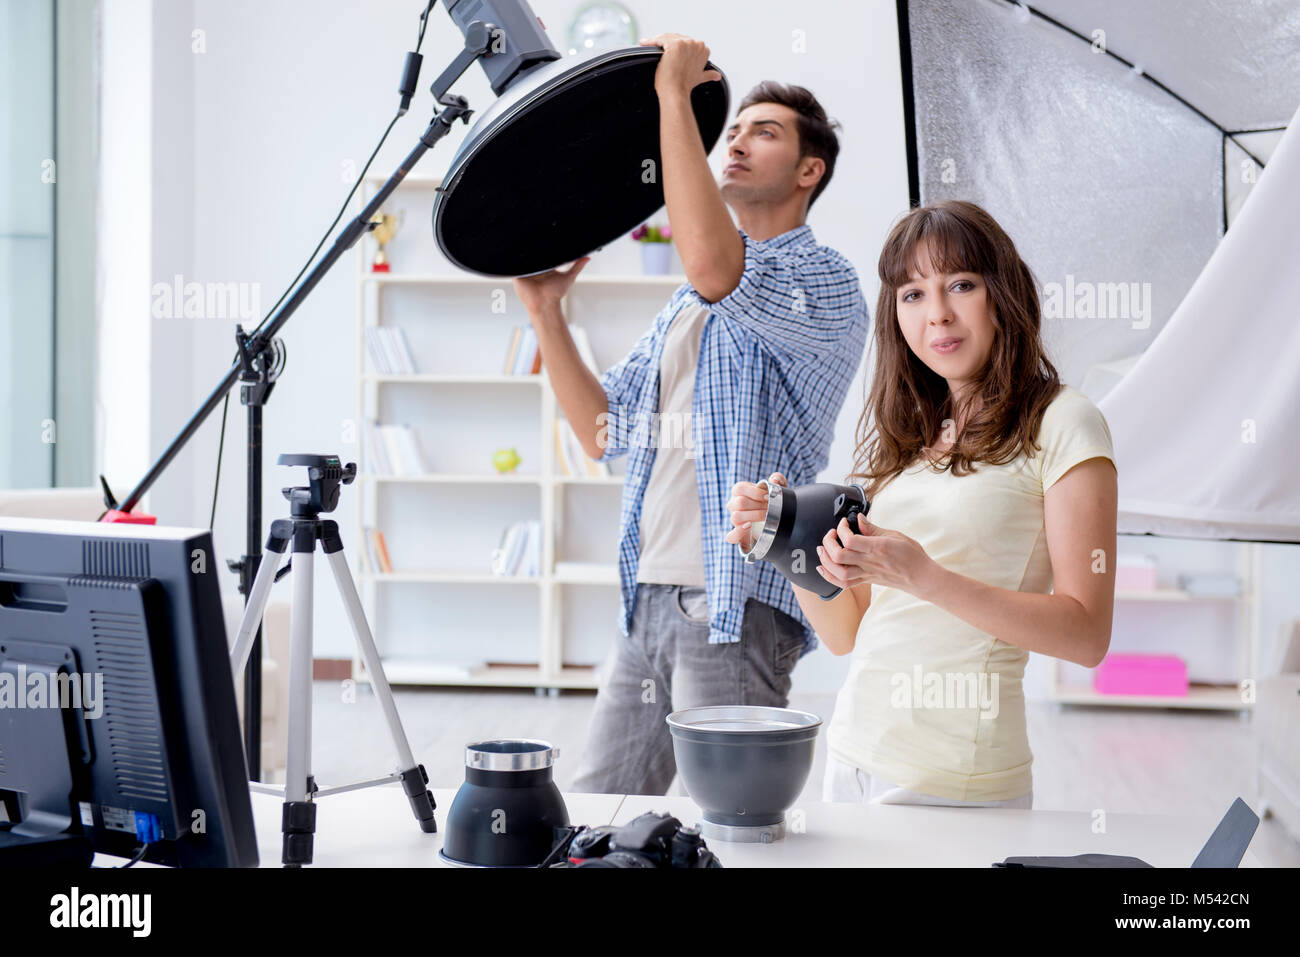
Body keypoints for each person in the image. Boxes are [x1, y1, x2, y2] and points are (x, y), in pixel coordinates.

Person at [513, 33, 868, 795]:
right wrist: (547, 314)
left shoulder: (825, 282)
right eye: (732, 129)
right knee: (597, 817)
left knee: (734, 825)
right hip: (645, 606)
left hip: (734, 607)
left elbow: (714, 266)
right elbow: (603, 433)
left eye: (762, 133)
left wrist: (674, 95)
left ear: (811, 171)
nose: (736, 142)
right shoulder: (685, 305)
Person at [727, 199, 1118, 808]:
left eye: (960, 284)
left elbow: (1087, 634)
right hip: (854, 757)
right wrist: (781, 539)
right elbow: (848, 630)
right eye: (912, 294)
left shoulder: (1063, 421)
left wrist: (925, 577)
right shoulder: (910, 438)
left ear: (1002, 294)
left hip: (959, 781)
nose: (938, 314)